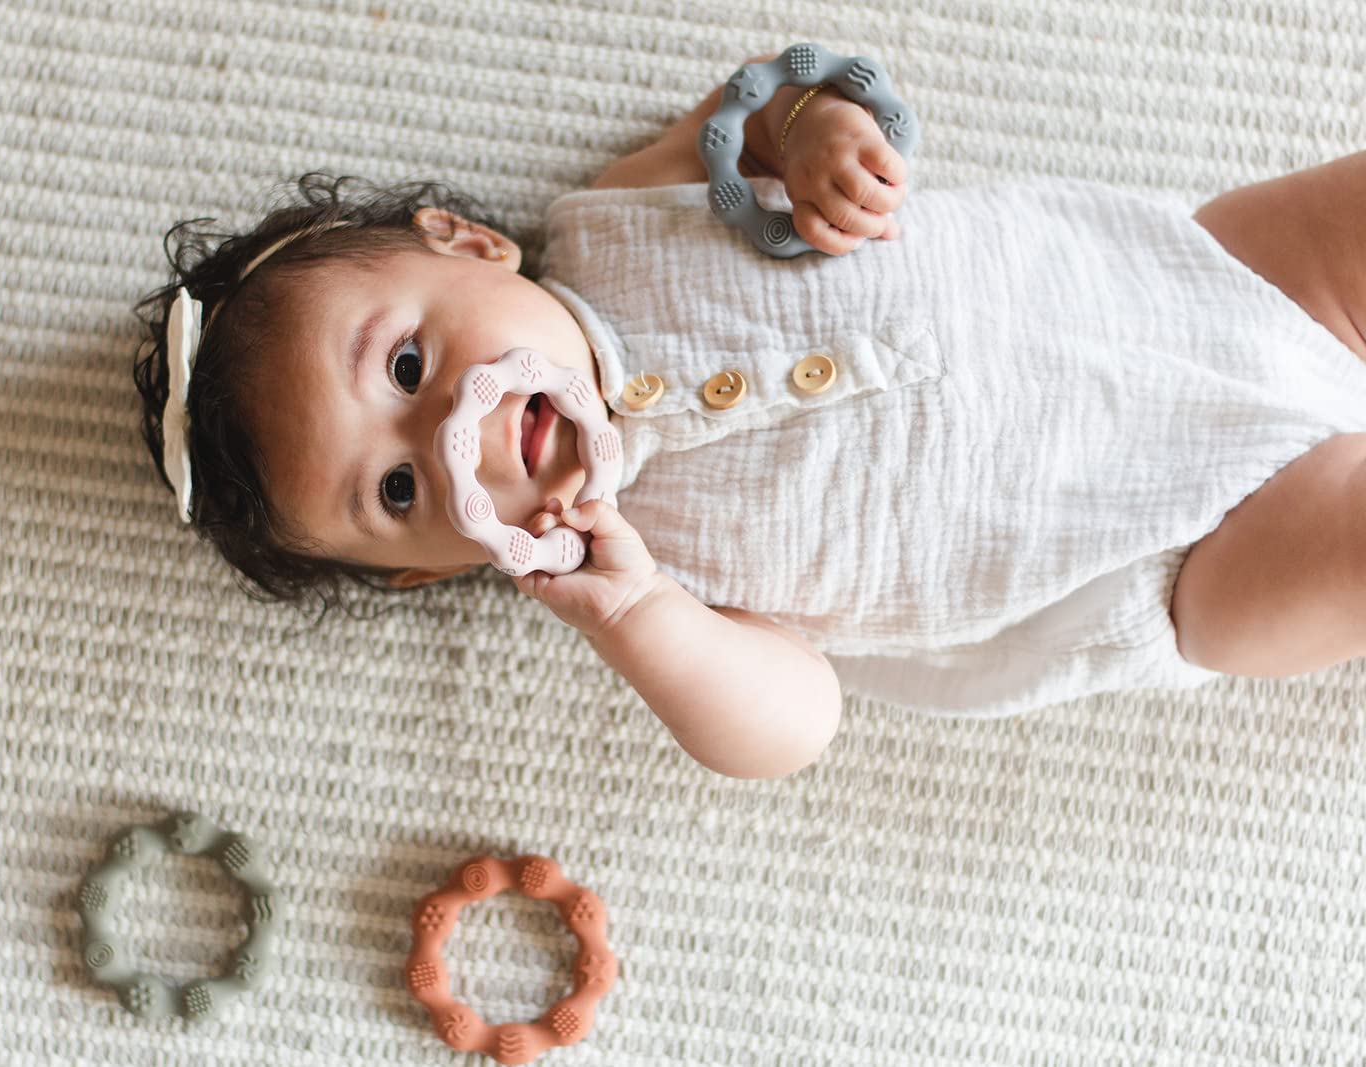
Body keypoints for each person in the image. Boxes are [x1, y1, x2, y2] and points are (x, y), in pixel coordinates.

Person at [132, 51, 1366, 779]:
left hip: (1193, 277)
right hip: (1171, 556)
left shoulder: (618, 215)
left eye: (405, 363)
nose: (446, 423)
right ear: (430, 571)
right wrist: (633, 615)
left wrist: (820, 134)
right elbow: (791, 726)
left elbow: (768, 96)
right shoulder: (639, 573)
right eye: (399, 491)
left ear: (470, 245)